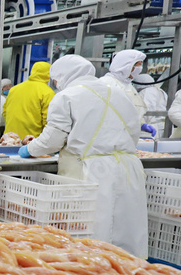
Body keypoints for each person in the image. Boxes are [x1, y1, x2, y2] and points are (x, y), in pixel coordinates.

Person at [20, 55, 147, 258]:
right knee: (126, 234)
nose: (56, 84)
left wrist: (29, 150)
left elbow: (52, 141)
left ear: (62, 76)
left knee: (90, 235)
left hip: (91, 170)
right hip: (127, 168)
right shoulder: (120, 93)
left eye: (56, 79)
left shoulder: (66, 96)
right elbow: (133, 133)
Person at [101, 49, 157, 137]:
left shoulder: (128, 85)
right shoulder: (107, 83)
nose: (139, 69)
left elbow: (133, 110)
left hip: (126, 135)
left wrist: (141, 124)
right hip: (110, 134)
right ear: (126, 65)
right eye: (137, 65)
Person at [3, 61, 55, 139]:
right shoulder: (47, 92)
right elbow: (48, 121)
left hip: (10, 138)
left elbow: (5, 112)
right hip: (31, 140)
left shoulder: (14, 89)